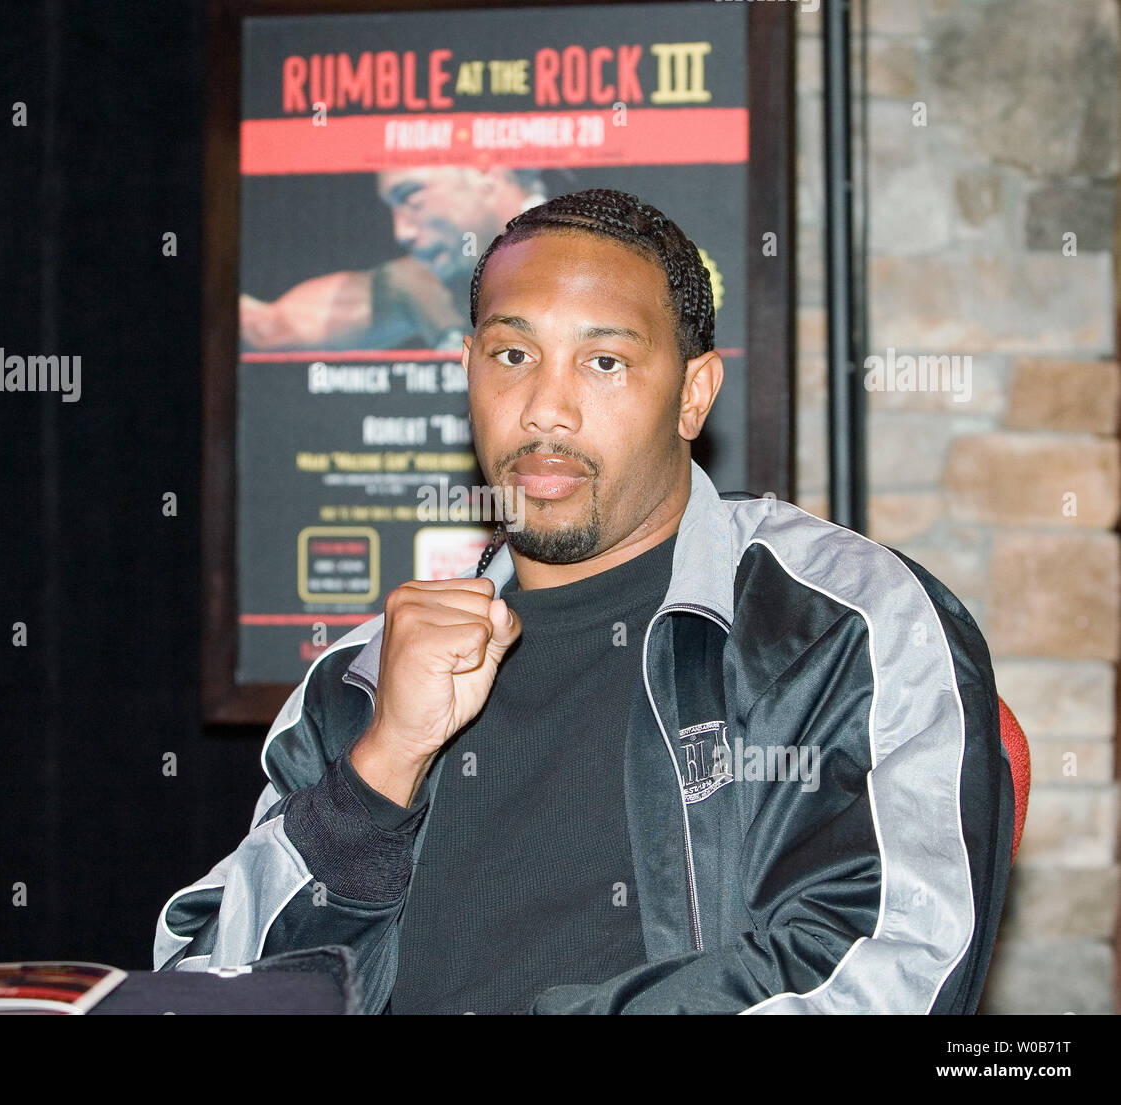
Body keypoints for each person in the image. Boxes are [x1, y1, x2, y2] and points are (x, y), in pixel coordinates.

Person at [159, 189, 1014, 1014]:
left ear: (692, 394)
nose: (546, 410)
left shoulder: (836, 625)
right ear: (467, 370)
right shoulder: (358, 677)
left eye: (604, 362)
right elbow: (199, 986)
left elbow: (888, 970)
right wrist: (381, 769)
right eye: (513, 355)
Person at [239, 166, 546, 352]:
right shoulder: (420, 285)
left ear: (484, 175)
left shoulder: (587, 235)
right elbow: (266, 329)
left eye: (412, 198)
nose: (402, 232)